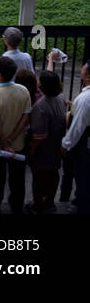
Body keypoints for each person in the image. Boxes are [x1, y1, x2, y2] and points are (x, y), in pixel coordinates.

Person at [0, 54, 30, 215]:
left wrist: (4, 142)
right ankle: (16, 207)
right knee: (17, 181)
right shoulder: (23, 91)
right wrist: (12, 139)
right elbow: (25, 117)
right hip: (18, 145)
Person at [28, 70, 66, 213]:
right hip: (56, 145)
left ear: (42, 85)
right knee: (53, 174)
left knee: (39, 178)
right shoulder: (60, 98)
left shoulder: (40, 107)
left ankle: (38, 204)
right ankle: (49, 201)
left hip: (43, 149)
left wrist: (31, 150)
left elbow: (39, 135)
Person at [61, 59, 90, 215]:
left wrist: (66, 144)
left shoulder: (86, 98)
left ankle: (82, 204)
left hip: (84, 143)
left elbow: (78, 127)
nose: (81, 71)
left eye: (83, 70)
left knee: (82, 175)